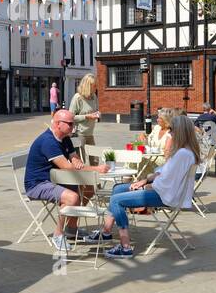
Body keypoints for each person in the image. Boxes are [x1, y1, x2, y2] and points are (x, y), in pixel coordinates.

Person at [84, 115, 200, 259]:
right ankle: (106, 232)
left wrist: (145, 187)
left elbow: (167, 180)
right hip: (167, 192)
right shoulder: (186, 151)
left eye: (171, 129)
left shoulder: (182, 153)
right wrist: (145, 180)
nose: (170, 133)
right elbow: (164, 171)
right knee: (118, 189)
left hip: (166, 196)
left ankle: (125, 247)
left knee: (116, 200)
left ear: (180, 131)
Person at [24, 108, 108, 252]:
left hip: (56, 179)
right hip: (38, 184)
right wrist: (96, 169)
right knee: (72, 197)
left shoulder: (65, 138)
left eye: (73, 123)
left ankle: (71, 228)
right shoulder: (48, 141)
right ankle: (58, 234)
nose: (73, 127)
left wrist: (77, 161)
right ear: (57, 124)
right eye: (70, 124)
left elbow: (73, 158)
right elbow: (67, 168)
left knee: (89, 188)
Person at [68, 74, 101, 148]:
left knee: (95, 158)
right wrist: (86, 116)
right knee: (81, 158)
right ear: (88, 86)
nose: (96, 88)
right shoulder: (78, 98)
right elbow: (70, 117)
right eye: (94, 85)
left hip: (90, 133)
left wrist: (97, 114)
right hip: (79, 133)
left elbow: (96, 110)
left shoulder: (94, 97)